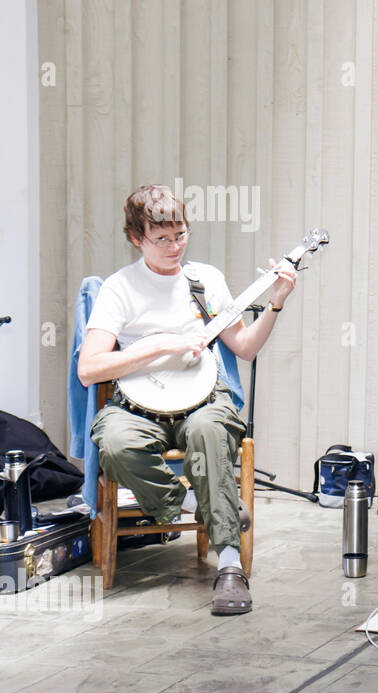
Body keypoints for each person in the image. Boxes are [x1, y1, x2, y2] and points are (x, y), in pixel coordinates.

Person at [78, 184, 297, 615]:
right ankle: (195, 504)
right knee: (116, 444)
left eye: (180, 235)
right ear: (136, 238)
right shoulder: (119, 288)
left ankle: (230, 568)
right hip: (137, 405)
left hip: (203, 400)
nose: (174, 247)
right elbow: (90, 368)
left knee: (209, 432)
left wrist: (275, 304)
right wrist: (162, 346)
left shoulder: (205, 281)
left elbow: (245, 347)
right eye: (161, 239)